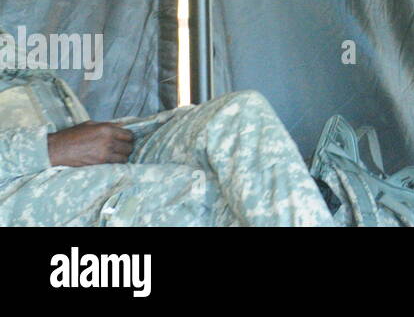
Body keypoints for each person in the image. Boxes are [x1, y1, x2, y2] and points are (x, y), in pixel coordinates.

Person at [0, 24, 333, 226]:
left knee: (238, 115)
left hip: (66, 155)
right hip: (23, 188)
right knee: (207, 196)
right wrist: (53, 149)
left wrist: (79, 137)